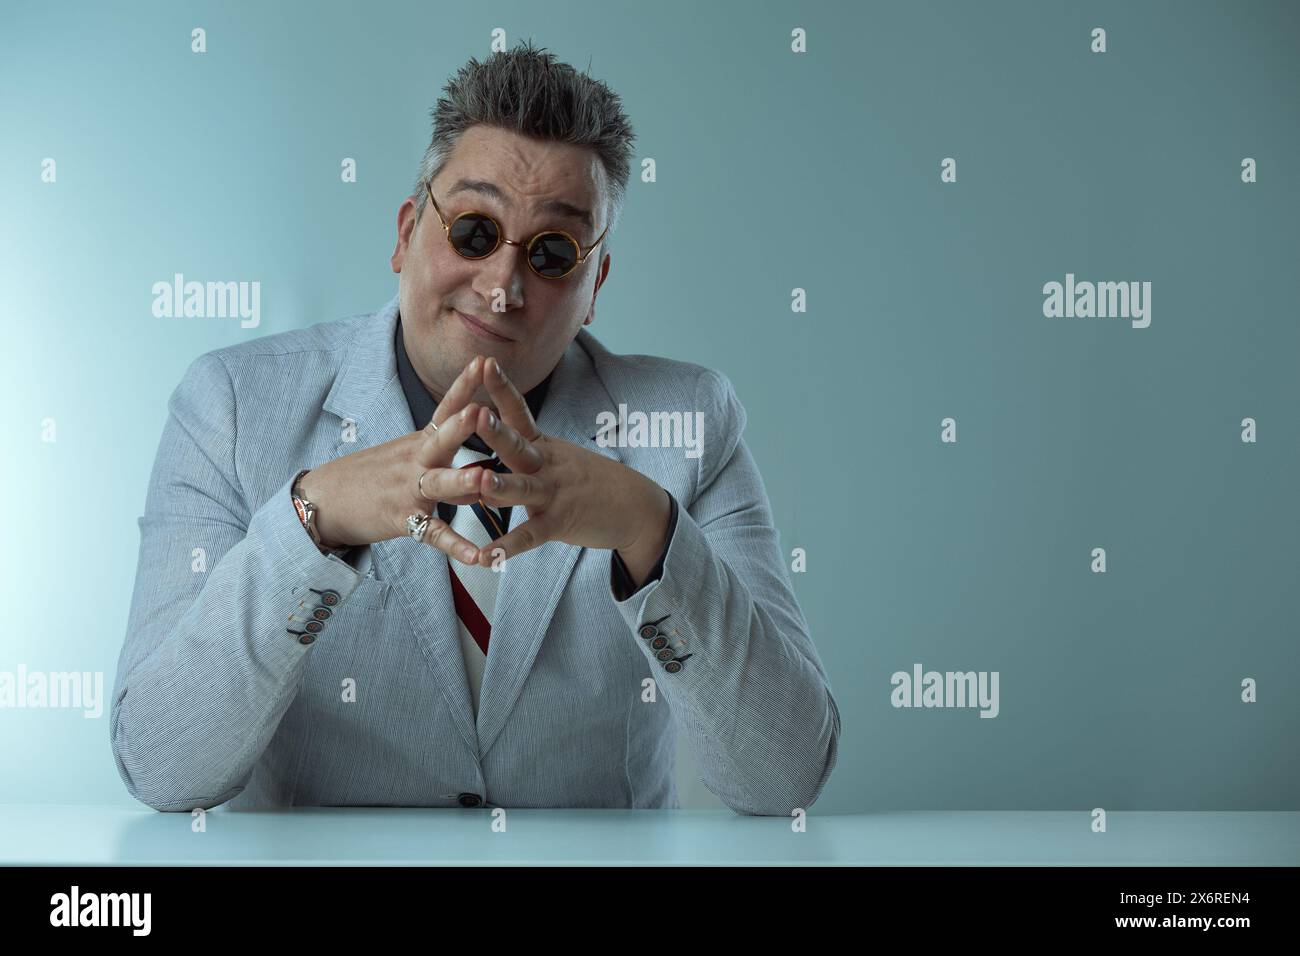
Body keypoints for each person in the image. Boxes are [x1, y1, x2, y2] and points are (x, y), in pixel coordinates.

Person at [111, 40, 840, 815]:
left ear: (594, 285)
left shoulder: (690, 423)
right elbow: (162, 767)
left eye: (554, 253)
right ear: (404, 234)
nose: (501, 286)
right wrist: (310, 525)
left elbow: (784, 779)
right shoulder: (230, 406)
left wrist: (649, 532)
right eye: (473, 231)